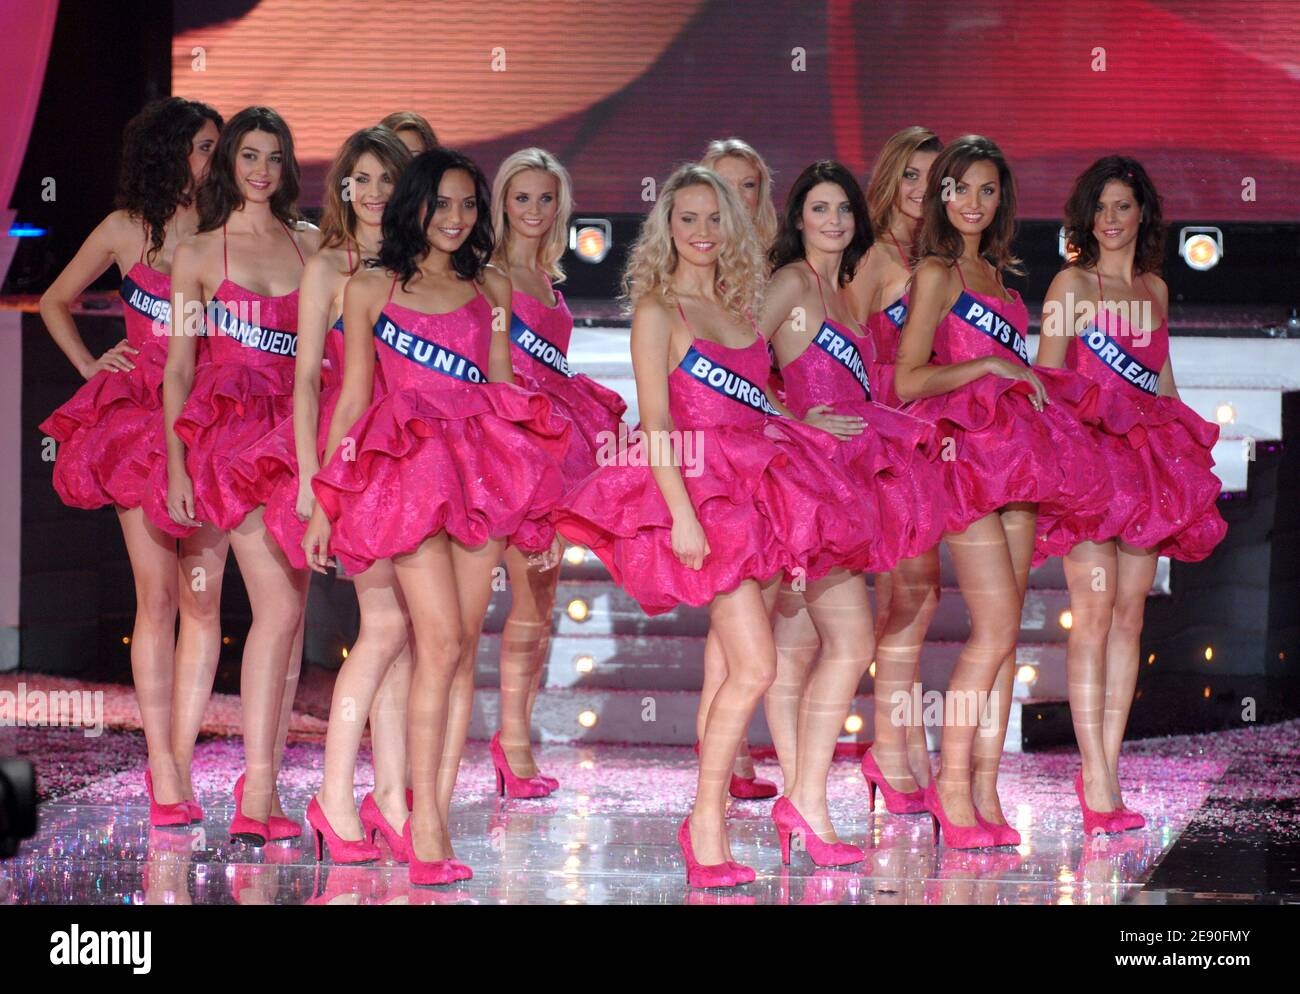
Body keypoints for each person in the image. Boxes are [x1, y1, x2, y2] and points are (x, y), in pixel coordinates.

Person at [554, 164, 874, 886]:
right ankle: (704, 824)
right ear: (667, 226)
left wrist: (800, 419)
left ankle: (759, 815)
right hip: (705, 501)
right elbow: (657, 423)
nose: (700, 231)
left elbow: (756, 402)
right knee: (756, 665)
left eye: (713, 218)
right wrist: (681, 517)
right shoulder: (658, 312)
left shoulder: (740, 307)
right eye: (687, 218)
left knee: (748, 665)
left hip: (761, 493)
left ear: (732, 226)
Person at [306, 148, 570, 883]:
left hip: (481, 473)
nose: (456, 220)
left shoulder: (489, 288)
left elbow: (502, 390)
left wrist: (533, 500)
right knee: (441, 637)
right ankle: (423, 828)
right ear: (415, 205)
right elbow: (353, 397)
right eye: (442, 204)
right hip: (410, 477)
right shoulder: (370, 288)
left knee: (456, 654)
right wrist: (327, 494)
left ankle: (432, 816)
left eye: (467, 207)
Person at [893, 135, 1113, 848]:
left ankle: (983, 790)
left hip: (1018, 460)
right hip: (965, 459)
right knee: (990, 629)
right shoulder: (937, 273)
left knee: (1007, 633)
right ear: (942, 195)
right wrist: (987, 363)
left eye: (988, 190)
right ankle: (950, 791)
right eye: (960, 187)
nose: (973, 202)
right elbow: (906, 381)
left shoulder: (998, 275)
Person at [38, 97, 221, 826]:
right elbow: (56, 300)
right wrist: (91, 364)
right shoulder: (122, 229)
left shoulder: (223, 232)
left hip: (213, 417)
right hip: (141, 417)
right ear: (172, 150)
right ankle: (164, 769)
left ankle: (175, 757)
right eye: (208, 145)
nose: (219, 158)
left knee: (203, 599)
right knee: (160, 598)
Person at [1035, 156, 1226, 832]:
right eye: (1102, 207)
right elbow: (1046, 379)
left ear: (1142, 214)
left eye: (1125, 206)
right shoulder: (1071, 284)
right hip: (1088, 467)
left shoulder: (1155, 291)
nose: (1113, 219)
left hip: (1144, 468)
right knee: (1091, 611)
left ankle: (1109, 771)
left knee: (1127, 618)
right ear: (1086, 217)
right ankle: (1094, 777)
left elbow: (1162, 384)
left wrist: (1186, 455)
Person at [160, 106, 322, 845]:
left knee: (291, 616)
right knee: (278, 614)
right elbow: (180, 369)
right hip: (229, 441)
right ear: (229, 163)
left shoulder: (313, 245)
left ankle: (262, 785)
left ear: (287, 167)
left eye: (273, 157)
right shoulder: (195, 252)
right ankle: (257, 794)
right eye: (248, 155)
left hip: (300, 438)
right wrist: (174, 463)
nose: (261, 170)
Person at [489, 148, 626, 796]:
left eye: (547, 200)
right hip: (502, 449)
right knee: (485, 611)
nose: (535, 212)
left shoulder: (548, 278)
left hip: (552, 449)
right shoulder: (488, 276)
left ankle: (514, 739)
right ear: (502, 203)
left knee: (537, 605)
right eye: (523, 199)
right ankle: (496, 744)